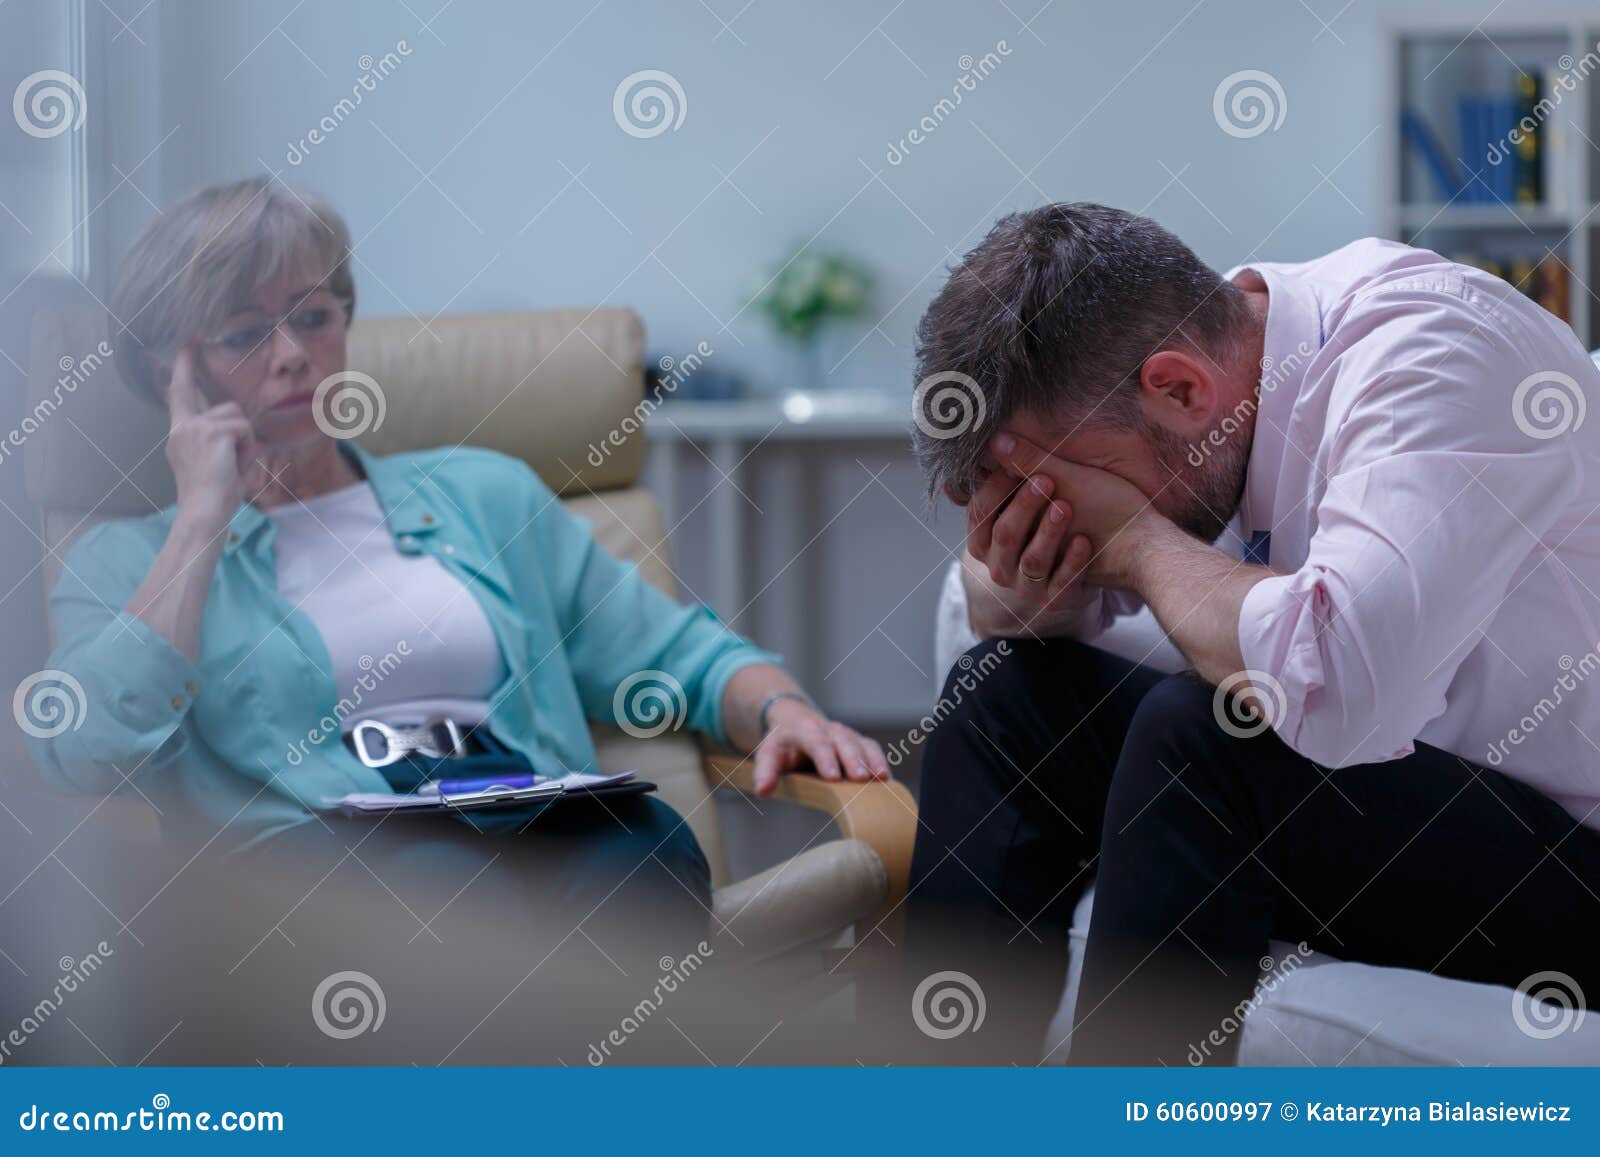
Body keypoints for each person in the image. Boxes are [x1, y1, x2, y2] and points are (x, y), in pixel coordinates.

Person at [27, 176, 889, 984]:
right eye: (246, 333)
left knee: (649, 852)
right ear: (169, 372)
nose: (292, 355)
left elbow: (674, 654)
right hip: (320, 869)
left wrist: (784, 709)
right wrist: (202, 520)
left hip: (527, 809)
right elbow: (84, 747)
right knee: (443, 898)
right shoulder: (134, 560)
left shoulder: (482, 493)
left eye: (313, 315)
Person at [905, 202, 1600, 1064]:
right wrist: (1034, 586)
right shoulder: (1199, 360)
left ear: (1181, 390)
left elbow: (1346, 690)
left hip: (1576, 862)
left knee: (1208, 736)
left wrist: (1133, 538)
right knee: (1010, 695)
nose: (1092, 510)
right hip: (1412, 811)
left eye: (1087, 488)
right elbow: (1050, 616)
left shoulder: (1435, 352)